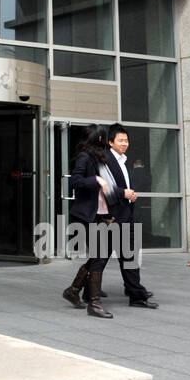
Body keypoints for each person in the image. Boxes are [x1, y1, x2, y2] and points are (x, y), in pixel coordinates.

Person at [62, 124, 120, 318]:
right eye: (104, 138)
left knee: (99, 256)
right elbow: (75, 181)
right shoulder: (85, 157)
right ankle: (93, 303)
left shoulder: (98, 158)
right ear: (100, 139)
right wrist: (95, 180)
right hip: (86, 216)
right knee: (99, 256)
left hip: (99, 215)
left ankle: (73, 290)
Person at [106, 124, 157, 308]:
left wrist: (130, 195)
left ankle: (135, 292)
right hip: (111, 216)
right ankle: (85, 289)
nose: (124, 143)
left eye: (126, 140)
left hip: (126, 213)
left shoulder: (123, 160)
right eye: (120, 140)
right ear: (110, 142)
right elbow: (104, 188)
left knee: (129, 255)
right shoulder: (106, 160)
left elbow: (124, 186)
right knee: (100, 257)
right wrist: (123, 193)